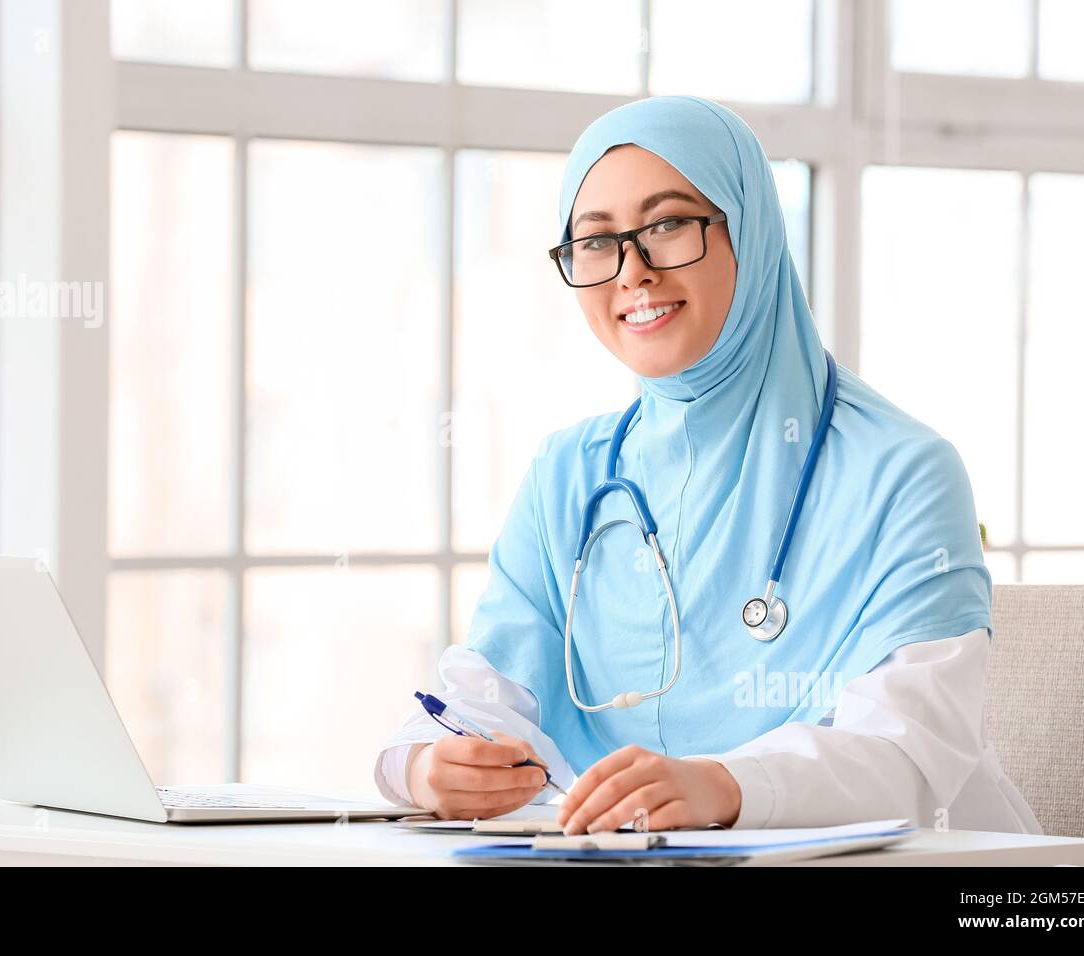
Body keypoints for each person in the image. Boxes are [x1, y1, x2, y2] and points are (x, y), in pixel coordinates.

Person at [374, 95, 1041, 837]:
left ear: (748, 231)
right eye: (596, 242)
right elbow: (472, 707)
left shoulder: (904, 472)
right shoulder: (568, 475)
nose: (632, 272)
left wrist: (726, 787)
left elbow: (909, 756)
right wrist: (430, 768)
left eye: (666, 225)